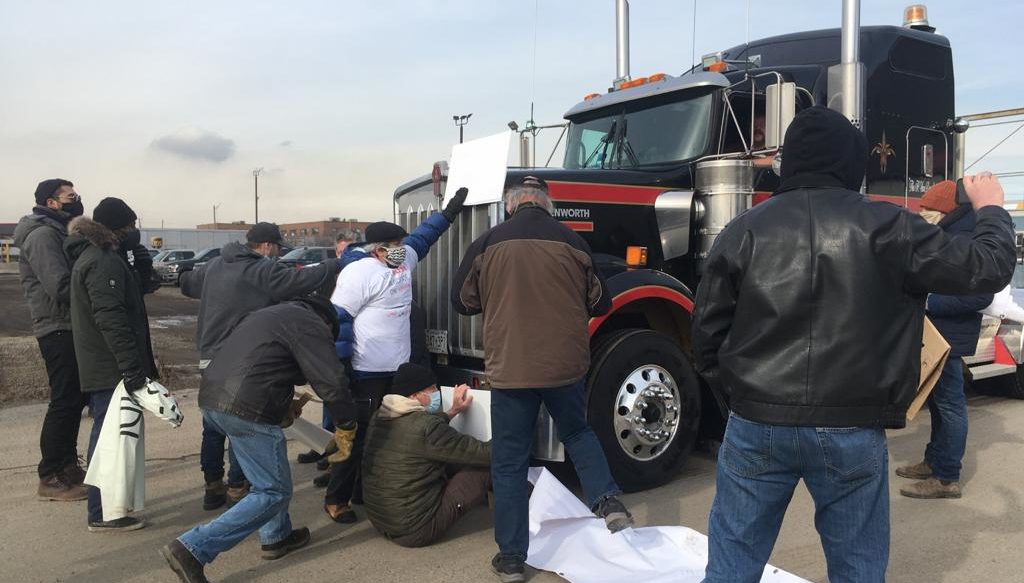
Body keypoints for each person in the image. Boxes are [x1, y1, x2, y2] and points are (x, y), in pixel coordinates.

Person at [692, 106, 1016, 583]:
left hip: (757, 419)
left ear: (792, 161)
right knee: (857, 569)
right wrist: (989, 207)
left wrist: (741, 394)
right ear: (852, 162)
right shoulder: (890, 227)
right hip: (851, 422)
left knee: (732, 566)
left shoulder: (744, 229)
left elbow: (707, 331)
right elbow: (987, 268)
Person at [451, 176, 633, 583]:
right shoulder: (573, 241)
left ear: (510, 204)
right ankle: (609, 504)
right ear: (548, 204)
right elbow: (601, 300)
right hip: (564, 366)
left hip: (511, 368)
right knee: (578, 433)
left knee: (510, 461)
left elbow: (461, 301)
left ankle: (513, 559)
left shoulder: (487, 242)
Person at [161, 292, 358, 583]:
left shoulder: (270, 315)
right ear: (328, 323)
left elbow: (262, 364)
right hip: (246, 408)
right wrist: (346, 424)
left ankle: (276, 536)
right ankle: (192, 547)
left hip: (214, 399)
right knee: (273, 490)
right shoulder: (312, 324)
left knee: (265, 474)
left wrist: (281, 405)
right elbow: (331, 380)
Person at [323, 187, 469, 523]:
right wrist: (342, 369)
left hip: (398, 372)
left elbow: (423, 238)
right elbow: (340, 323)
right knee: (358, 438)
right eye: (396, 246)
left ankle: (366, 489)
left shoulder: (402, 263)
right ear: (379, 250)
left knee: (393, 436)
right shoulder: (358, 274)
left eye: (402, 245)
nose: (403, 249)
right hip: (367, 372)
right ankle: (337, 500)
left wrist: (447, 214)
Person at [180, 222, 342, 511]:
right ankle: (238, 488)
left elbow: (187, 283)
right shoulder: (262, 270)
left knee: (214, 426)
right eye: (278, 247)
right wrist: (335, 264)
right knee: (244, 424)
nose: (278, 254)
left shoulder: (216, 264)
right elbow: (300, 282)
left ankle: (212, 487)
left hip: (207, 355)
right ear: (267, 245)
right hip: (239, 359)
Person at [66, 197, 158, 532]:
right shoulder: (102, 261)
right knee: (110, 439)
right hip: (111, 367)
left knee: (118, 437)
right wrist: (131, 368)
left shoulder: (113, 258)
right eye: (132, 226)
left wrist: (142, 267)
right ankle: (102, 511)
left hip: (113, 363)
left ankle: (110, 506)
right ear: (117, 228)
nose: (135, 232)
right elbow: (112, 319)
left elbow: (134, 296)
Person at [898, 180, 993, 499]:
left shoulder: (964, 239)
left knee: (950, 405)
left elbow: (978, 295)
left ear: (945, 211)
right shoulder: (951, 233)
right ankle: (934, 461)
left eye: (928, 210)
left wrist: (929, 302)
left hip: (947, 337)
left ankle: (946, 477)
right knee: (939, 404)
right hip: (938, 334)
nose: (922, 214)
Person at [14, 178, 89, 501]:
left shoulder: (60, 232)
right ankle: (51, 474)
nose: (77, 200)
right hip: (57, 327)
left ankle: (69, 466)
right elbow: (59, 286)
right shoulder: (43, 235)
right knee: (64, 400)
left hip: (69, 325)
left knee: (74, 399)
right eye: (70, 196)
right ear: (51, 203)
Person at [361, 363, 489, 547]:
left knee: (452, 459)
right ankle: (536, 508)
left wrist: (453, 411)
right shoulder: (425, 427)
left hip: (383, 522)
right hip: (417, 530)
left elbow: (419, 433)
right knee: (485, 468)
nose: (436, 392)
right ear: (414, 395)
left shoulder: (381, 415)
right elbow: (483, 453)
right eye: (432, 389)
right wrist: (515, 432)